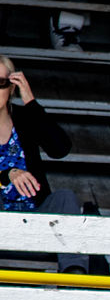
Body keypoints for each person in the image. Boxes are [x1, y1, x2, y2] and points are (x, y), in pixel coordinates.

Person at [0, 55, 76, 215]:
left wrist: (30, 102)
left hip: (34, 212)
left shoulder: (24, 118)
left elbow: (60, 149)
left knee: (65, 198)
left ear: (11, 88)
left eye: (0, 83)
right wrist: (8, 175)